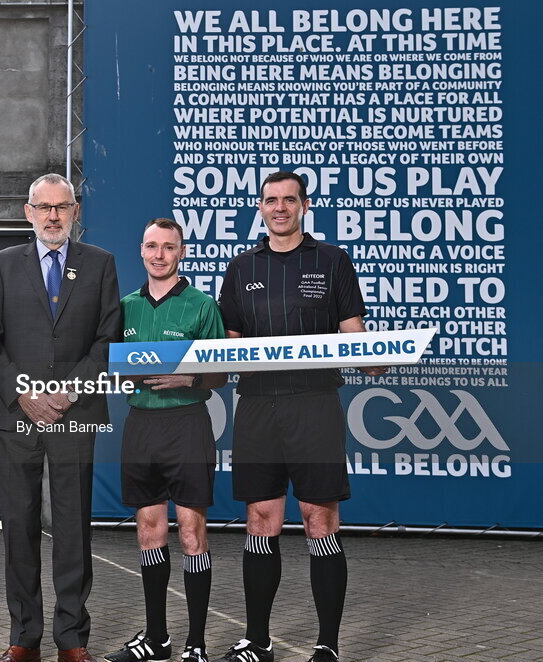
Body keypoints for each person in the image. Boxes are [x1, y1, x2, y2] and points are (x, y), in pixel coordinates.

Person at [212, 172, 387, 662]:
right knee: (260, 519)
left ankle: (327, 645)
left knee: (319, 519)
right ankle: (258, 641)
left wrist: (374, 355)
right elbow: (229, 342)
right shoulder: (241, 266)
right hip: (258, 408)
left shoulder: (332, 260)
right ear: (260, 207)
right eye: (271, 200)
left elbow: (353, 331)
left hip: (314, 406)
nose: (280, 207)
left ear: (305, 205)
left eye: (290, 199)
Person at [0, 173, 121, 662]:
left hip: (75, 412)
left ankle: (72, 639)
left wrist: (66, 393)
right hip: (17, 413)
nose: (53, 216)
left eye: (62, 207)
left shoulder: (101, 265)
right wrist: (26, 395)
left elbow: (107, 339)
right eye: (44, 207)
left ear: (75, 211)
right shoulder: (2, 265)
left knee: (73, 524)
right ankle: (24, 637)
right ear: (28, 212)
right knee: (17, 525)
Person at [105, 218, 226, 662]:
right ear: (141, 251)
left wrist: (187, 376)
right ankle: (157, 639)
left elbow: (222, 373)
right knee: (148, 531)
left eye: (168, 248)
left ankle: (196, 644)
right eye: (152, 247)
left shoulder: (201, 305)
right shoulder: (125, 307)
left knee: (192, 533)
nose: (159, 255)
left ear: (182, 253)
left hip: (188, 426)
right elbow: (110, 366)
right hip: (142, 426)